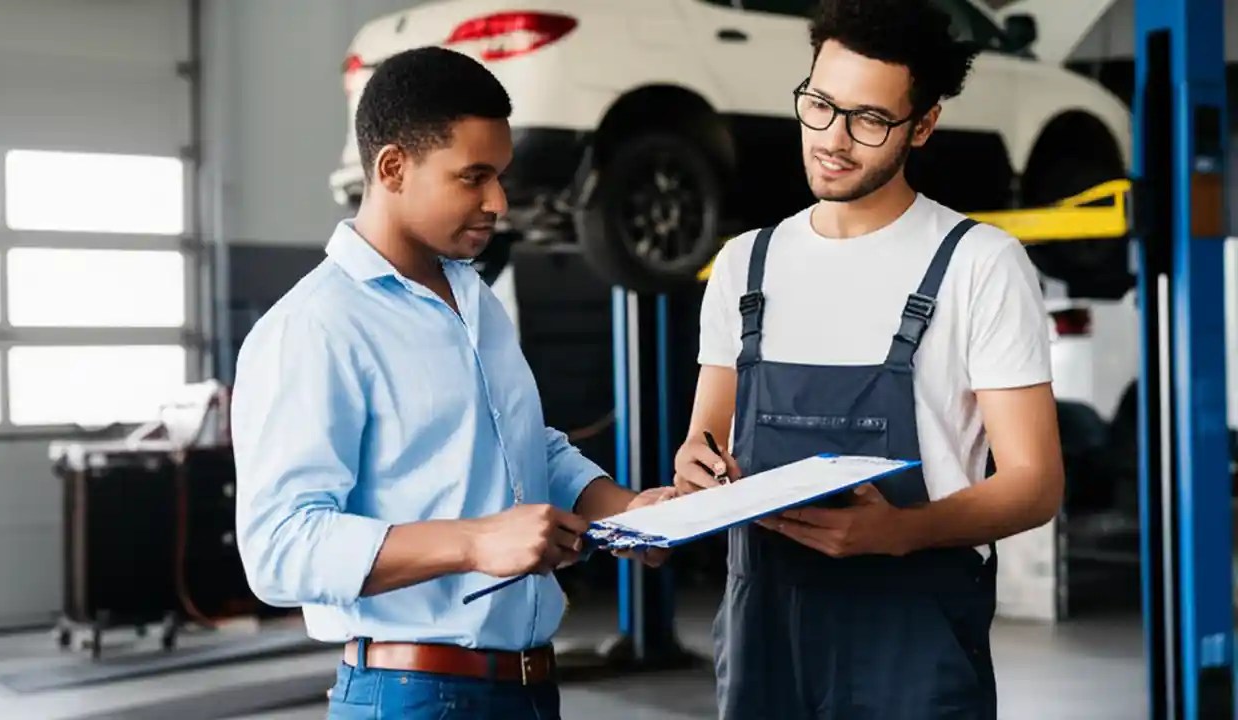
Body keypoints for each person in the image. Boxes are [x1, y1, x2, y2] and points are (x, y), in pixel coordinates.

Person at [231, 46, 671, 720]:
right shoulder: (315, 327)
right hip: (415, 696)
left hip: (525, 689)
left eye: (501, 175)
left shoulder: (475, 299)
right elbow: (279, 546)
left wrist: (623, 509)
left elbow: (528, 445)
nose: (498, 200)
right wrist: (472, 541)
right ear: (393, 169)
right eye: (474, 177)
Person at [672, 1, 1065, 718]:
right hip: (765, 637)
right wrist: (694, 469)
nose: (834, 139)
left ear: (923, 125)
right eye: (819, 105)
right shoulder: (744, 265)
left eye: (870, 120)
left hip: (913, 640)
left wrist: (900, 531)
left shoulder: (978, 264)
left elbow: (1036, 484)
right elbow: (708, 443)